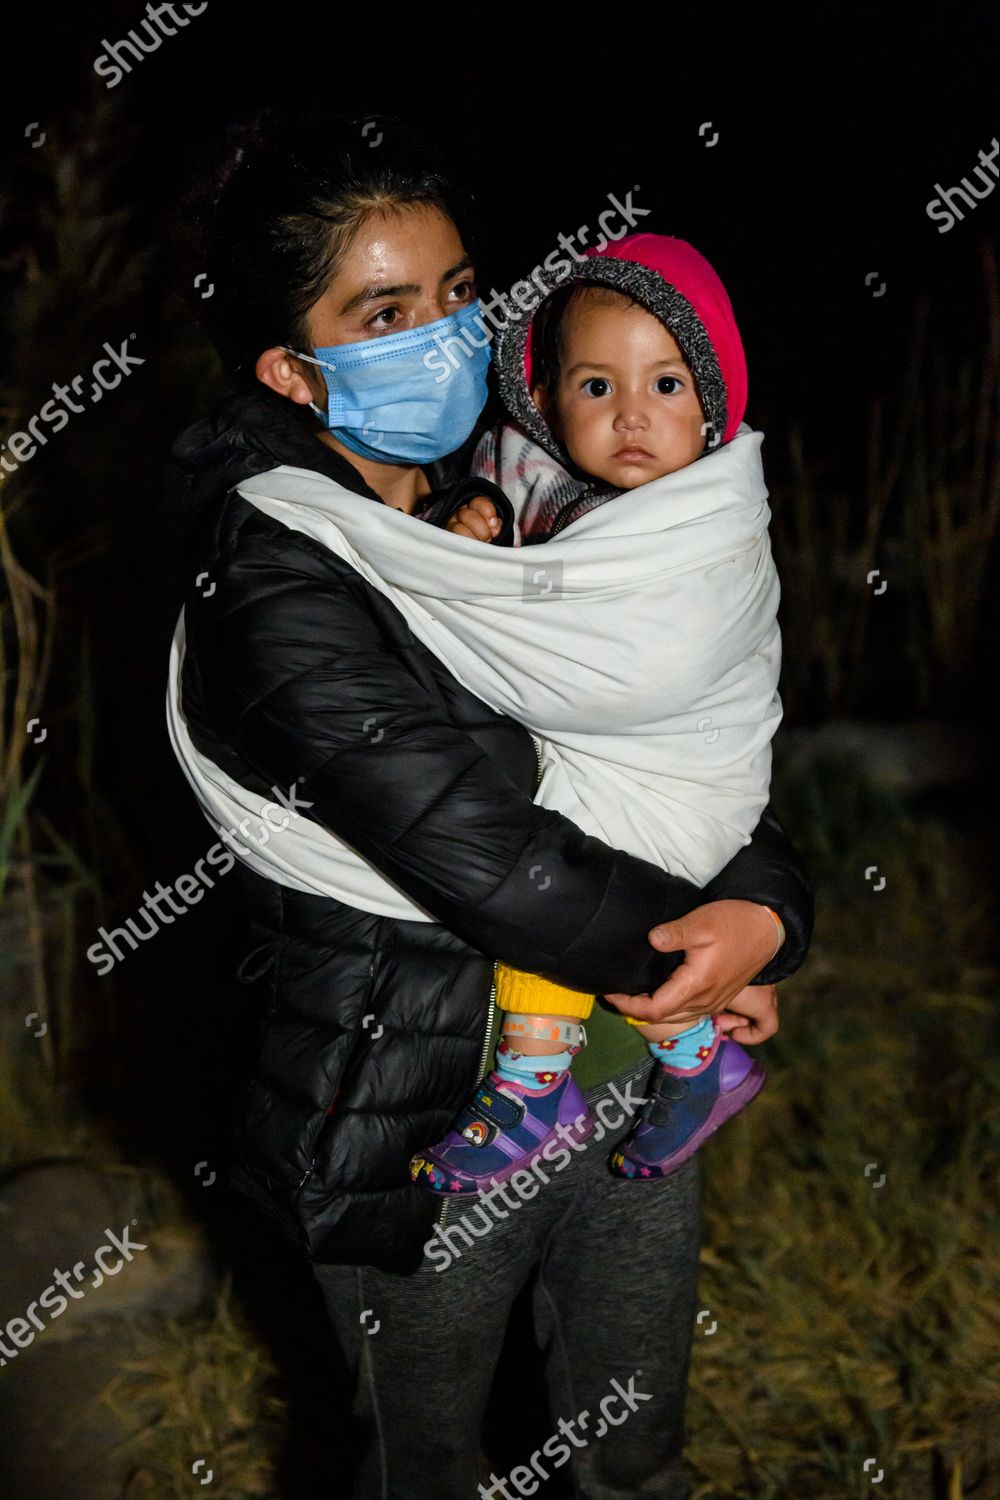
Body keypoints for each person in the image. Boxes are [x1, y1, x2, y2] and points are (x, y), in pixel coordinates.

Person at [164, 106, 813, 1500]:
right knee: (420, 1468)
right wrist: (701, 954)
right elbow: (483, 852)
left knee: (631, 1455)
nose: (445, 335)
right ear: (292, 368)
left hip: (626, 1076)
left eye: (458, 295)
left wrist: (762, 907)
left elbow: (668, 754)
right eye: (385, 310)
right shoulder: (274, 581)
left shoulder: (530, 495)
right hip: (415, 1115)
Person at [410, 231, 781, 1195]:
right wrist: (467, 536)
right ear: (546, 397)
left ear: (715, 400)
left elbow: (677, 663)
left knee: (560, 865)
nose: (630, 417)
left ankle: (537, 1082)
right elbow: (489, 603)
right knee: (569, 865)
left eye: (666, 386)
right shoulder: (535, 484)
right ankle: (702, 1063)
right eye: (594, 386)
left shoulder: (710, 511)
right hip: (591, 764)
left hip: (689, 771)